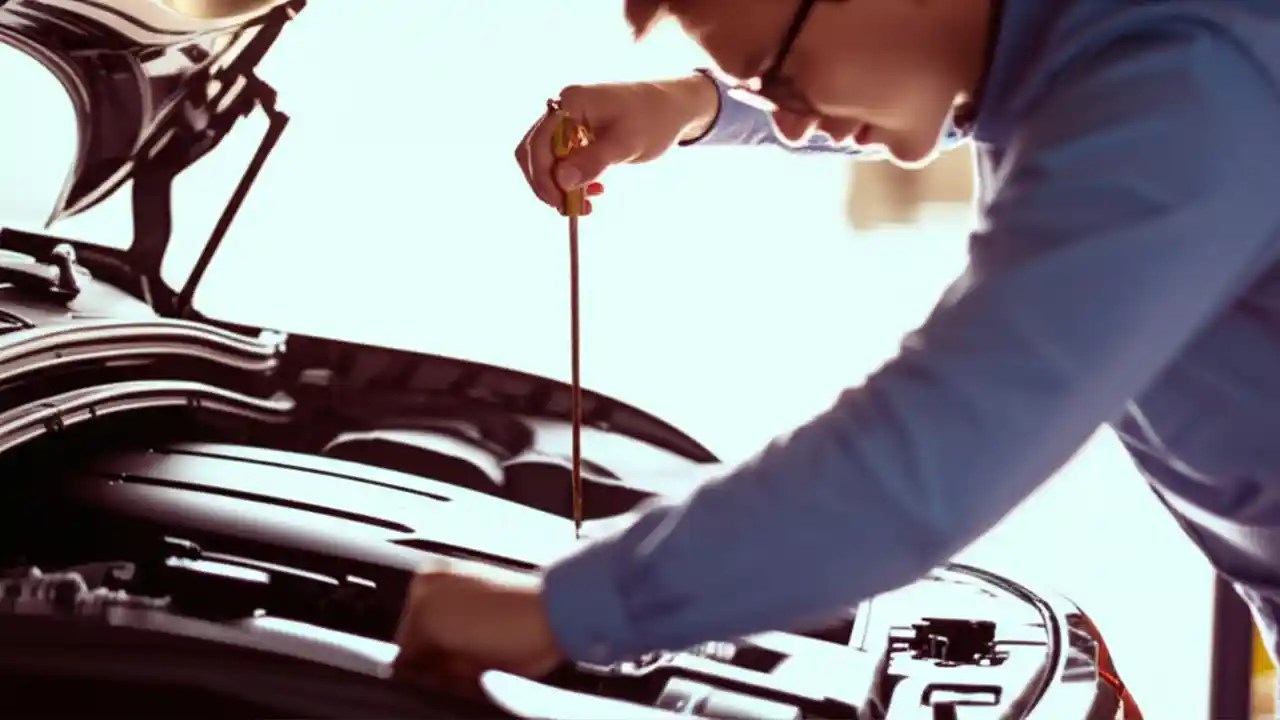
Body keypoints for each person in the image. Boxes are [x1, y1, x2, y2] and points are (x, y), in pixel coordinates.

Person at [392, 0, 1280, 701]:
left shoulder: (1183, 86)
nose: (787, 120)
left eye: (778, 76)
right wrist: (696, 102)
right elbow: (920, 79)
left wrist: (555, 611)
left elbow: (928, 461)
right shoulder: (1085, 51)